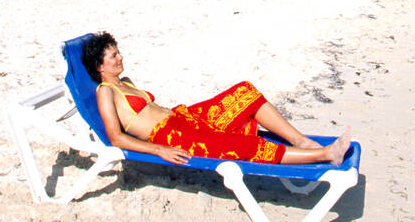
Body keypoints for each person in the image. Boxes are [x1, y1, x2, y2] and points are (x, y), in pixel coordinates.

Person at [83, 32, 352, 165]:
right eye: (113, 56)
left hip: (184, 118)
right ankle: (325, 154)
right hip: (172, 138)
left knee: (245, 92)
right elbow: (116, 138)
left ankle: (299, 140)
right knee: (239, 146)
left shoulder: (125, 82)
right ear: (99, 66)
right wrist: (159, 150)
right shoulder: (106, 92)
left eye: (119, 53)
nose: (120, 58)